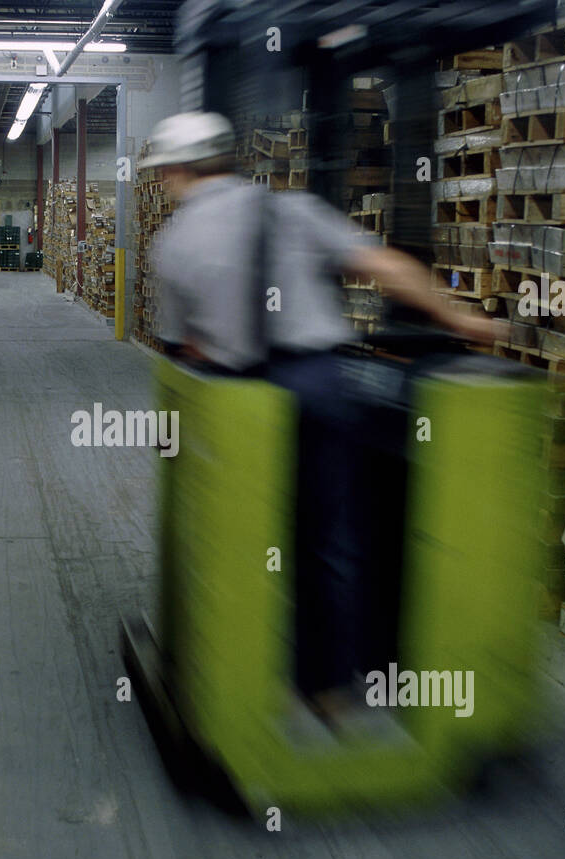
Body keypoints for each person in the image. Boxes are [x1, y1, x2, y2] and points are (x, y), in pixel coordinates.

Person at [142, 111, 497, 724]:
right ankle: (329, 685)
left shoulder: (172, 244)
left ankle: (234, 666)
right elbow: (384, 267)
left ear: (175, 171)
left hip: (239, 400)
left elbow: (182, 347)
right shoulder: (291, 211)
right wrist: (459, 319)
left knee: (241, 534)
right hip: (322, 383)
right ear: (227, 160)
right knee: (331, 536)